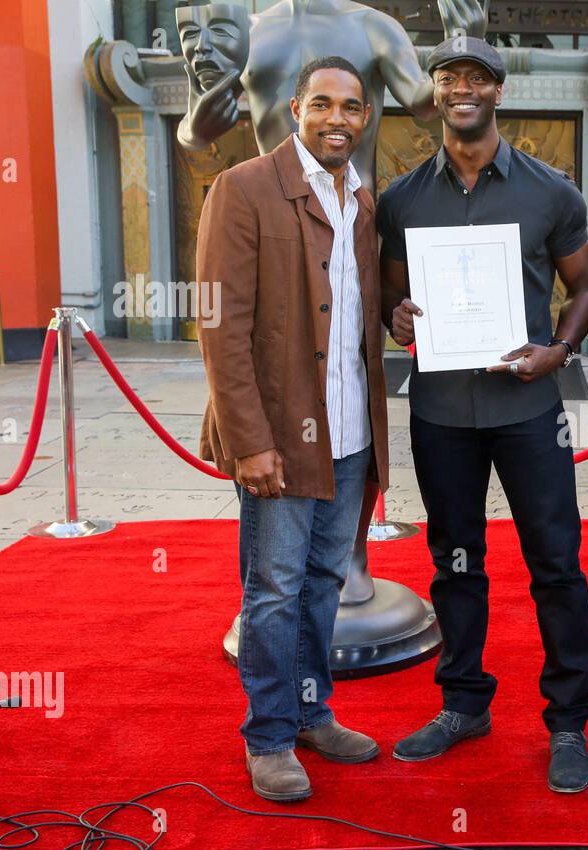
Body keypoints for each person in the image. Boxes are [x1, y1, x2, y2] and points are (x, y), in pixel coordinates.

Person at [376, 37, 588, 794]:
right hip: (440, 411)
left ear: (499, 92)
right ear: (435, 93)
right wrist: (397, 317)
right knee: (456, 563)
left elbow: (585, 291)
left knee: (557, 565)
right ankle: (464, 705)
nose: (462, 88)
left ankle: (568, 721)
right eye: (448, 79)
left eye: (476, 78)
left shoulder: (551, 191)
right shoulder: (402, 198)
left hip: (529, 406)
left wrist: (558, 351)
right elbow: (390, 299)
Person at [196, 57, 391, 801]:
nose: (336, 118)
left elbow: (350, 313)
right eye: (322, 104)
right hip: (279, 435)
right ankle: (270, 737)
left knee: (320, 586)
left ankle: (313, 714)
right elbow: (220, 325)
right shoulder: (243, 188)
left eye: (350, 106)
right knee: (272, 590)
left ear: (365, 117)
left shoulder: (362, 203)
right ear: (295, 109)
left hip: (349, 433)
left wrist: (395, 316)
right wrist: (249, 441)